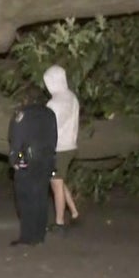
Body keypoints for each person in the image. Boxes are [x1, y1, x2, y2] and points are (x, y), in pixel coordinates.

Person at [8, 98, 58, 245]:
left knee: (25, 199)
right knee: (41, 197)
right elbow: (54, 138)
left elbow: (15, 139)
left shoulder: (22, 114)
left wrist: (13, 160)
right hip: (46, 159)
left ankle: (27, 236)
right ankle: (39, 235)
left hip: (27, 161)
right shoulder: (50, 114)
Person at [43, 64, 81, 232]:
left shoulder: (54, 103)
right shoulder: (72, 97)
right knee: (61, 179)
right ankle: (74, 212)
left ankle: (59, 222)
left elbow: (48, 126)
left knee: (56, 184)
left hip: (59, 148)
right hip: (71, 145)